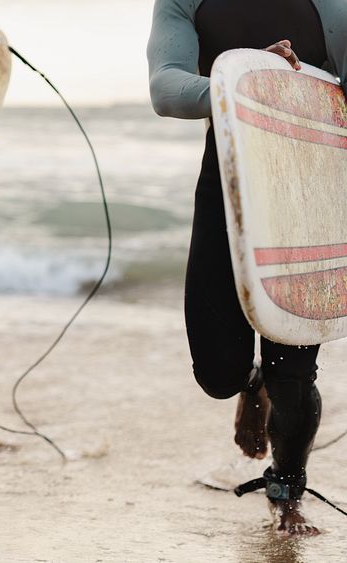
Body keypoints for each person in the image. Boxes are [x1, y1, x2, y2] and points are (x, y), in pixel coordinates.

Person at [148, 0, 346, 536]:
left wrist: (294, 85)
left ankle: (286, 490)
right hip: (229, 189)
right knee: (216, 374)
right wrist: (248, 80)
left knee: (295, 378)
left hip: (312, 192)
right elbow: (166, 89)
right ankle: (246, 383)